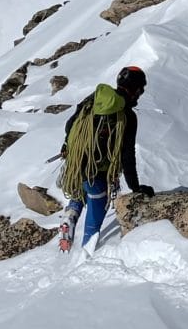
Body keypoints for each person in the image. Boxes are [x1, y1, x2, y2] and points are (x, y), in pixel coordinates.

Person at [56, 65, 154, 251]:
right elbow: (127, 155)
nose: (140, 94)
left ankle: (72, 213)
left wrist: (67, 146)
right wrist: (135, 186)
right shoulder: (127, 116)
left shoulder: (94, 99)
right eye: (140, 89)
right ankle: (87, 250)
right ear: (134, 89)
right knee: (97, 205)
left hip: (77, 161)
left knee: (80, 185)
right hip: (98, 172)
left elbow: (71, 124)